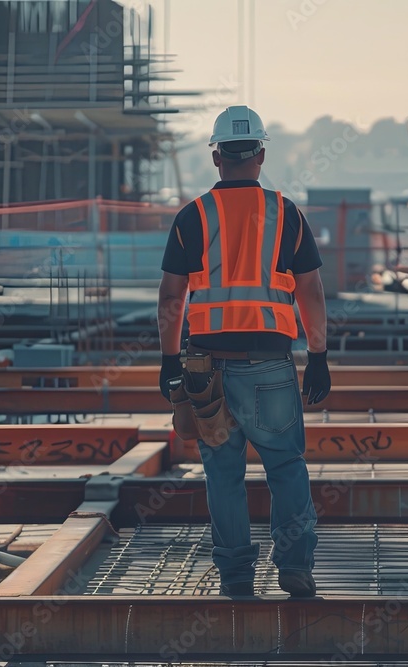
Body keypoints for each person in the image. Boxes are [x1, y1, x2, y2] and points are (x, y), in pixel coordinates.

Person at [157, 105, 331, 598]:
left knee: (223, 473)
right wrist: (317, 355)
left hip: (204, 368)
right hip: (269, 365)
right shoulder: (286, 214)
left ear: (216, 156)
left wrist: (170, 361)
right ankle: (294, 566)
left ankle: (235, 576)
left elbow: (172, 298)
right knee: (285, 466)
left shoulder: (192, 217)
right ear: (259, 154)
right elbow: (311, 293)